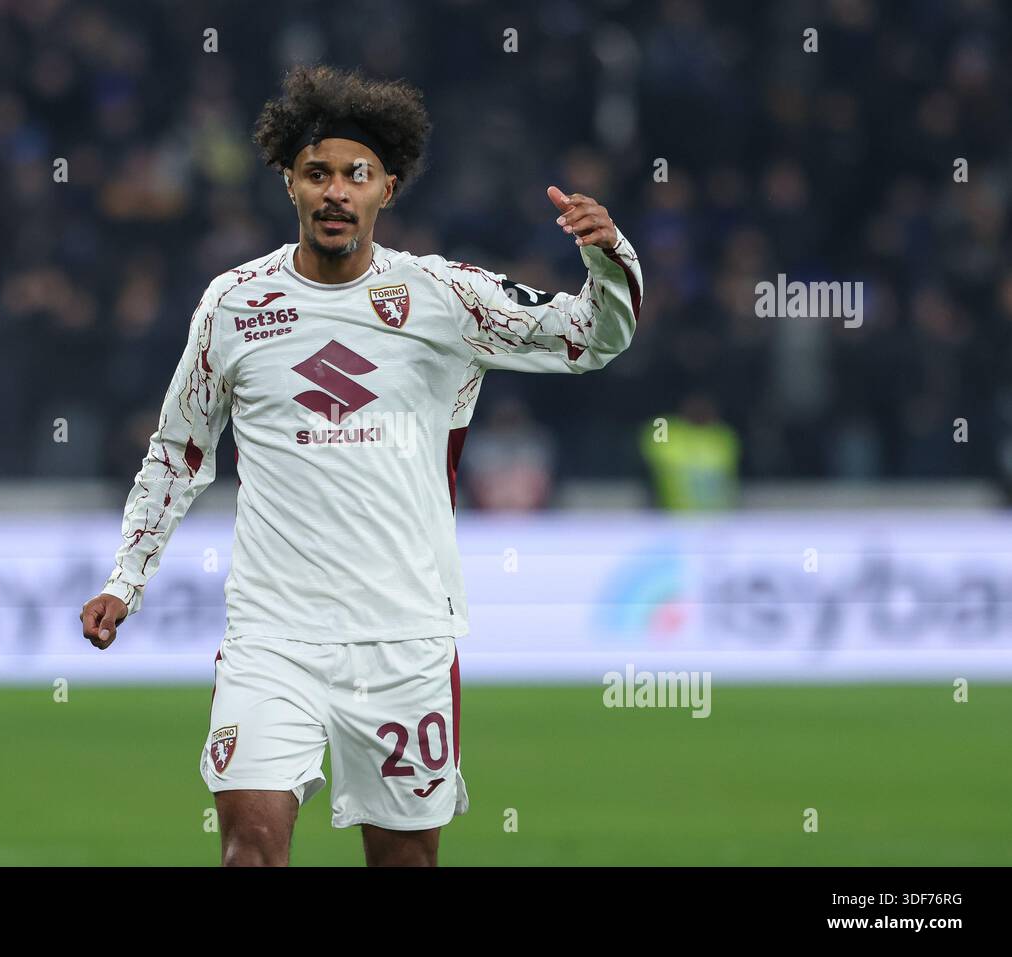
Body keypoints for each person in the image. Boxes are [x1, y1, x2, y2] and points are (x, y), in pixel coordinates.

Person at [80, 65, 643, 866]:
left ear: (389, 187)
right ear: (289, 184)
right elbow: (180, 450)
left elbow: (594, 338)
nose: (336, 191)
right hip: (272, 633)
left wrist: (609, 255)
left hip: (404, 634)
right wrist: (125, 578)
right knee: (249, 854)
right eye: (318, 174)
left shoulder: (446, 298)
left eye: (357, 175)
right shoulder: (234, 303)